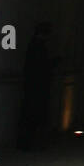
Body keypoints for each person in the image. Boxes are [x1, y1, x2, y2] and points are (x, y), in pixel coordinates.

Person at [18, 21, 55, 151]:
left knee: (31, 115)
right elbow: (40, 66)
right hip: (36, 87)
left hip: (33, 86)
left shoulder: (35, 45)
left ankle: (28, 142)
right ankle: (28, 143)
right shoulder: (37, 46)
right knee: (33, 115)